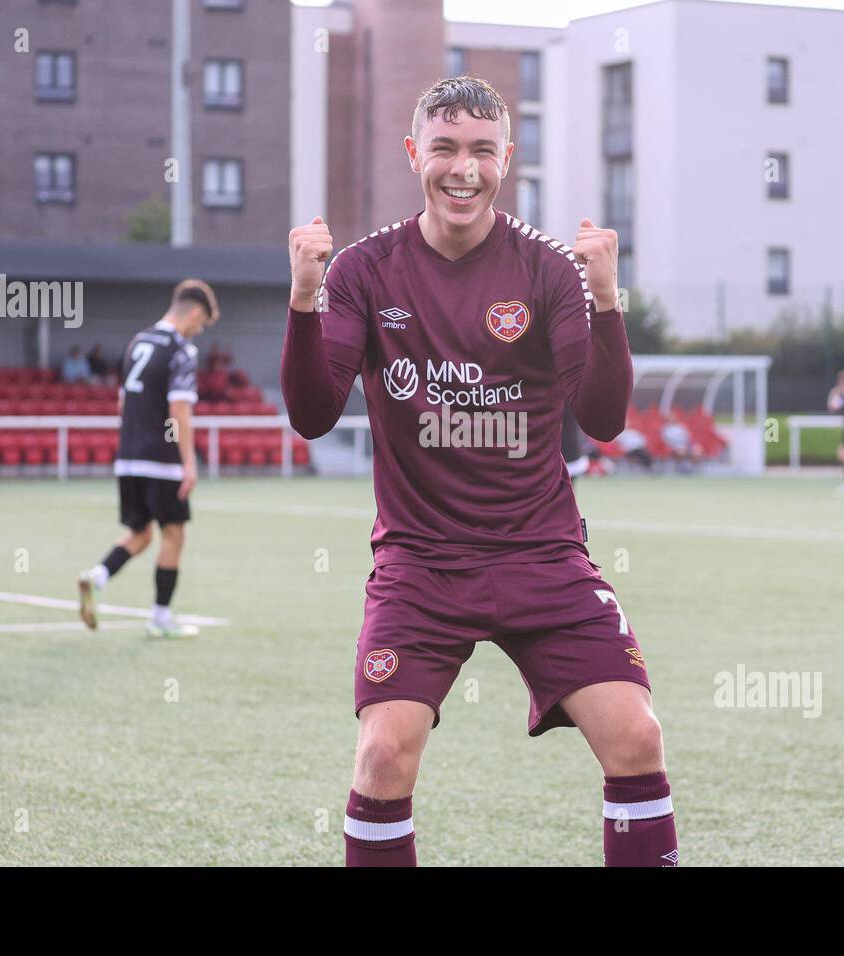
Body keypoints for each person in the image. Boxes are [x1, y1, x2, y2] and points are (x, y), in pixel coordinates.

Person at [282, 76, 676, 867]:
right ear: (413, 155)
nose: (463, 169)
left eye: (482, 152)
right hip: (421, 563)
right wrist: (302, 297)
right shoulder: (364, 271)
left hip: (541, 553)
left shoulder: (549, 271)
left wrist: (606, 299)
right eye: (445, 149)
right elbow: (313, 414)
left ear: (508, 159)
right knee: (383, 756)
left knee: (636, 737)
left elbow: (601, 420)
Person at [77, 279, 219, 638]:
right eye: (201, 325)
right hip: (162, 460)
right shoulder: (181, 350)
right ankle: (160, 618)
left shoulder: (137, 342)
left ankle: (98, 576)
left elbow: (124, 403)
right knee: (173, 534)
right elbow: (179, 410)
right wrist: (188, 462)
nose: (197, 332)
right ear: (195, 313)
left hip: (128, 457)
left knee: (139, 534)